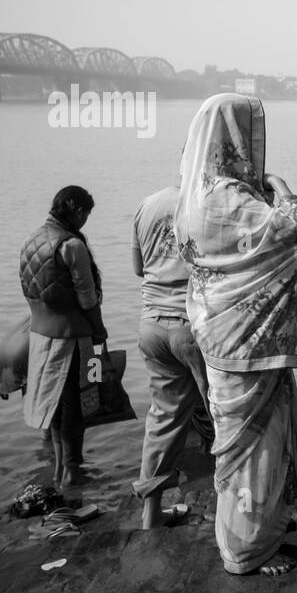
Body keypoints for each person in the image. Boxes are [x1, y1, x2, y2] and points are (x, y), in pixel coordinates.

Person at [175, 94, 297, 576]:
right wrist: (282, 187)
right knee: (255, 451)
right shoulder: (229, 198)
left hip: (218, 334)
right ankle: (246, 552)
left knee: (240, 441)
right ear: (235, 138)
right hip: (248, 343)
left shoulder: (193, 194)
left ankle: (257, 529)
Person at [130, 183, 211, 528]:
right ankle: (235, 507)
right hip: (189, 326)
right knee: (223, 416)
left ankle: (151, 513)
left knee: (163, 420)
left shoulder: (148, 202)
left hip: (151, 325)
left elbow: (138, 268)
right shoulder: (207, 205)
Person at [19, 185, 108, 489]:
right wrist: (99, 330)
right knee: (74, 406)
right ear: (76, 209)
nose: (86, 220)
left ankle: (58, 469)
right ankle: (72, 471)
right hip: (70, 338)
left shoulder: (31, 239)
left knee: (54, 406)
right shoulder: (72, 246)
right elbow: (87, 299)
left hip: (40, 335)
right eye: (86, 213)